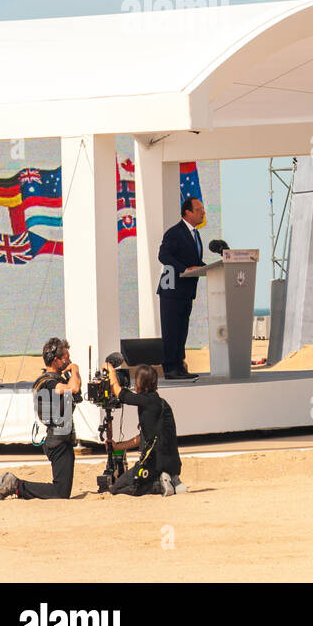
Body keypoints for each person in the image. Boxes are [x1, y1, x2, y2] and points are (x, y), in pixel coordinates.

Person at [0, 337, 82, 500]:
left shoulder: (52, 380)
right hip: (58, 441)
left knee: (62, 490)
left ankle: (17, 486)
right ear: (56, 361)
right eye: (66, 358)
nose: (69, 361)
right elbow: (74, 387)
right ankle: (16, 485)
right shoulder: (48, 383)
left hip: (60, 439)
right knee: (61, 492)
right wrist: (75, 370)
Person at [107, 361, 184, 496]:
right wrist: (117, 447)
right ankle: (169, 479)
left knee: (115, 488)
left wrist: (111, 372)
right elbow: (142, 439)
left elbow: (121, 394)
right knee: (123, 484)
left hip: (153, 464)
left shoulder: (146, 401)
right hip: (173, 464)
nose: (134, 385)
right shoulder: (162, 404)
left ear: (141, 383)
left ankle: (159, 484)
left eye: (135, 381)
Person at [157, 197, 207, 380]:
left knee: (182, 330)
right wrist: (184, 269)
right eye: (199, 209)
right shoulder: (175, 233)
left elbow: (194, 261)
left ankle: (179, 365)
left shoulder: (195, 234)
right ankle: (170, 368)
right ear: (188, 212)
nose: (203, 212)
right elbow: (163, 255)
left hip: (186, 291)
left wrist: (207, 267)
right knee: (171, 330)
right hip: (171, 289)